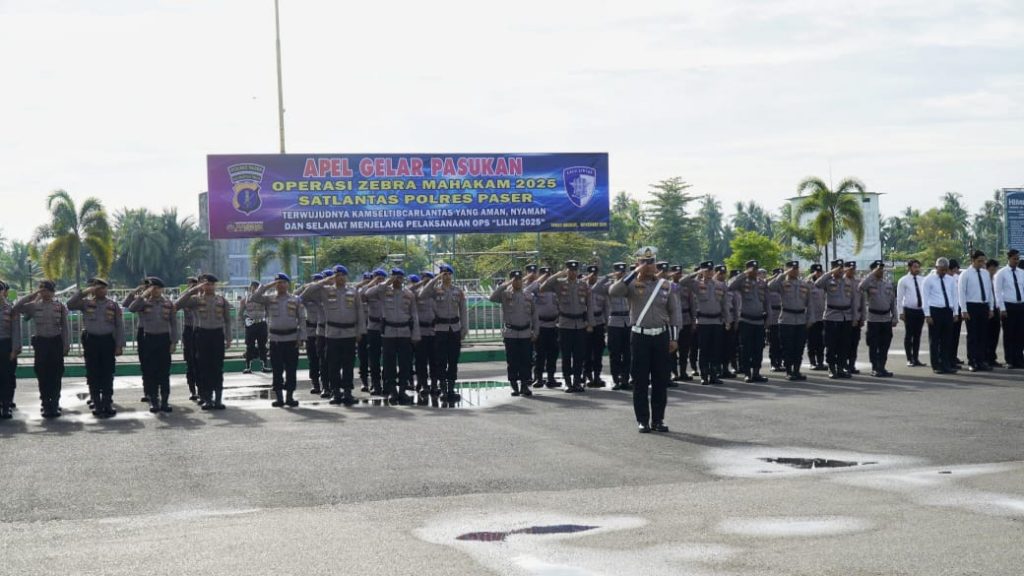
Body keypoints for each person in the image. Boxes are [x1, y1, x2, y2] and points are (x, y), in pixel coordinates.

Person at [609, 255, 680, 433]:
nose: (649, 266)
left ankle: (658, 419)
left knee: (660, 380)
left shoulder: (666, 285)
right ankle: (643, 420)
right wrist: (633, 273)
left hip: (661, 336)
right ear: (638, 265)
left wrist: (674, 337)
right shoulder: (631, 285)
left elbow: (674, 312)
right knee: (640, 381)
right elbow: (613, 291)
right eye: (645, 263)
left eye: (652, 262)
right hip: (640, 337)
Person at [303, 266, 364, 406]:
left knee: (348, 365)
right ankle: (336, 392)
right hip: (332, 334)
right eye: (337, 275)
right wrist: (324, 281)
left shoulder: (353, 292)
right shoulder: (325, 291)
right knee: (333, 365)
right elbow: (305, 294)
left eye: (343, 274)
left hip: (349, 333)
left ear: (346, 277)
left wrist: (360, 331)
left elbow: (359, 311)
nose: (340, 277)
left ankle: (347, 392)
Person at [67, 278, 124, 418]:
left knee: (107, 373)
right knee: (93, 373)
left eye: (103, 288)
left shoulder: (113, 305)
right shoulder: (86, 303)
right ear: (93, 289)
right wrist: (85, 292)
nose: (101, 291)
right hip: (91, 341)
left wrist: (119, 345)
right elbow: (70, 304)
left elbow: (119, 325)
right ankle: (97, 403)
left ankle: (107, 402)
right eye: (97, 288)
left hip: (107, 341)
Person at [13, 280, 70, 418]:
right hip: (41, 343)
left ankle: (55, 404)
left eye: (48, 291)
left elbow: (65, 327)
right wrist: (32, 295)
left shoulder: (60, 307)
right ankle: (45, 404)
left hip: (55, 342)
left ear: (53, 292)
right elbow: (16, 308)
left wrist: (66, 344)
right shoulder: (34, 306)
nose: (45, 293)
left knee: (56, 374)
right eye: (42, 291)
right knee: (42, 374)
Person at [175, 274, 233, 410]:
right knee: (204, 367)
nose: (209, 287)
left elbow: (228, 320)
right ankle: (207, 398)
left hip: (217, 335)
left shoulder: (222, 301)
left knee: (217, 368)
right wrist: (192, 290)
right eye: (206, 284)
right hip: (202, 335)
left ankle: (218, 399)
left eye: (212, 284)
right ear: (202, 285)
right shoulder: (196, 300)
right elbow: (177, 304)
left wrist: (229, 337)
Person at [364, 269, 421, 405]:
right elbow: (368, 293)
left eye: (400, 278)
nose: (398, 280)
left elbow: (414, 314)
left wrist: (416, 334)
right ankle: (392, 391)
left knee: (404, 363)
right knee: (389, 364)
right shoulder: (383, 291)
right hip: (388, 333)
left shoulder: (409, 294)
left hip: (404, 332)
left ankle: (402, 390)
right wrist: (386, 282)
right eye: (395, 278)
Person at [249, 273, 306, 408]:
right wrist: (267, 285)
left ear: (288, 284)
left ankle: (290, 397)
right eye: (278, 282)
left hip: (292, 339)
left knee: (291, 370)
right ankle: (279, 397)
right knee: (277, 370)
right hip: (275, 340)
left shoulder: (295, 300)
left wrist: (301, 337)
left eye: (283, 282)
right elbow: (254, 297)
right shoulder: (270, 299)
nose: (280, 285)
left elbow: (302, 319)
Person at [541, 260, 594, 393]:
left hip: (580, 325)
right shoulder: (559, 284)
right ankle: (568, 382)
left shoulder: (583, 285)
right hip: (565, 325)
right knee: (566, 356)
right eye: (570, 270)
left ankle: (577, 382)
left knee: (579, 356)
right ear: (566, 270)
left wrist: (590, 323)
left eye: (575, 270)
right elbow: (543, 287)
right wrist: (558, 274)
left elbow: (590, 305)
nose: (573, 272)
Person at [128, 277, 178, 413]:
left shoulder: (168, 303)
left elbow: (174, 324)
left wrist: (174, 342)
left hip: (164, 339)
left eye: (157, 288)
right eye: (152, 288)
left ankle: (165, 401)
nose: (154, 290)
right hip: (149, 339)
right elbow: (131, 308)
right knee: (151, 371)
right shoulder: (143, 302)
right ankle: (154, 401)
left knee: (164, 372)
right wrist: (142, 295)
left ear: (162, 289)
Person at [422, 264, 468, 399]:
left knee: (453, 360)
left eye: (448, 273)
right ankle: (442, 388)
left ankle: (451, 388)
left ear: (452, 275)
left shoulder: (458, 291)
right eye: (443, 273)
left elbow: (463, 311)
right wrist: (435, 279)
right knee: (440, 360)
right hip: (440, 329)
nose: (446, 276)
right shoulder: (435, 290)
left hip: (454, 329)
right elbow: (423, 293)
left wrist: (464, 328)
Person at [490, 270, 538, 396]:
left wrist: (536, 331)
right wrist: (507, 284)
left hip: (525, 333)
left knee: (526, 361)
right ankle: (514, 385)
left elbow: (534, 315)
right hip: (511, 333)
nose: (517, 282)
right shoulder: (505, 294)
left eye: (519, 279)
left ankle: (524, 385)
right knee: (513, 361)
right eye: (514, 279)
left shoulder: (529, 295)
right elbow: (492, 297)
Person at [689, 261, 731, 385]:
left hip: (717, 322)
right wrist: (696, 273)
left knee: (715, 349)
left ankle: (714, 375)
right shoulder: (697, 284)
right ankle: (704, 375)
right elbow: (683, 282)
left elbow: (724, 304)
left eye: (710, 270)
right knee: (704, 350)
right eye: (706, 270)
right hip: (703, 322)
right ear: (702, 271)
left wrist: (727, 320)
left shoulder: (720, 285)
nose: (709, 273)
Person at [768, 261, 811, 381]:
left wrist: (809, 319)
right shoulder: (782, 283)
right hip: (787, 319)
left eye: (796, 268)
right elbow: (770, 286)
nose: (795, 270)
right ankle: (788, 371)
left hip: (801, 319)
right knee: (788, 347)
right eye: (792, 268)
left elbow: (810, 303)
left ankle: (796, 370)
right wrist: (784, 273)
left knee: (799, 347)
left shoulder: (804, 284)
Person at [728, 260, 768, 383]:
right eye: (752, 269)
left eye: (756, 269)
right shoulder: (742, 282)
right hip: (746, 320)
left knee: (758, 348)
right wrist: (744, 274)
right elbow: (730, 286)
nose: (755, 272)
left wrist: (768, 319)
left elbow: (767, 301)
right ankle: (747, 373)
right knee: (746, 348)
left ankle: (756, 372)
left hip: (759, 320)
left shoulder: (762, 283)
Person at [815, 259, 855, 379]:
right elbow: (817, 284)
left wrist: (854, 317)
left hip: (846, 316)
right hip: (832, 317)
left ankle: (841, 367)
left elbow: (852, 300)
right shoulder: (828, 281)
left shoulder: (847, 281)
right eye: (838, 268)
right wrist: (830, 273)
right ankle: (831, 368)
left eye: (841, 268)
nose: (841, 270)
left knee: (844, 344)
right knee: (831, 345)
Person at [595, 263, 632, 390]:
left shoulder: (630, 285)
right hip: (614, 322)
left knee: (628, 353)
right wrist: (607, 276)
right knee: (615, 353)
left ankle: (626, 379)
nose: (620, 274)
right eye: (618, 271)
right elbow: (595, 288)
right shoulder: (608, 286)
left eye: (623, 271)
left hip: (628, 321)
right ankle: (616, 379)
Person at [859, 261, 897, 377]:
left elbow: (892, 302)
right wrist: (872, 274)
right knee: (874, 344)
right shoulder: (869, 283)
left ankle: (882, 366)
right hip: (873, 319)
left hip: (886, 319)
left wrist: (894, 316)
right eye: (878, 269)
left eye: (882, 269)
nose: (881, 271)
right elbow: (860, 287)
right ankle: (875, 367)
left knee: (885, 344)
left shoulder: (887, 284)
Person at [958, 250, 995, 372]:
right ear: (972, 261)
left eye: (983, 261)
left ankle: (981, 360)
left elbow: (989, 291)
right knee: (973, 336)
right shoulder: (966, 274)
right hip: (971, 306)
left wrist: (991, 308)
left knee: (983, 335)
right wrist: (963, 310)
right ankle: (972, 361)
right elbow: (961, 293)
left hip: (983, 306)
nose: (982, 263)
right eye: (979, 261)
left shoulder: (985, 273)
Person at [923, 258, 959, 374]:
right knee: (935, 340)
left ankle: (946, 364)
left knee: (947, 340)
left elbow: (954, 296)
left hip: (947, 311)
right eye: (941, 270)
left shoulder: (950, 280)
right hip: (935, 311)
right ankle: (936, 365)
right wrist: (927, 315)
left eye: (945, 270)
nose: (943, 272)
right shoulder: (928, 280)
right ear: (936, 267)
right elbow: (925, 298)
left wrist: (955, 312)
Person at [528, 267, 560, 388]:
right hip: (540, 326)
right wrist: (539, 280)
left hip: (553, 326)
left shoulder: (554, 289)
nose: (546, 277)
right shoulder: (535, 288)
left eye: (548, 275)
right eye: (543, 274)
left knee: (553, 354)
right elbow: (527, 290)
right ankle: (538, 378)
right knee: (540, 354)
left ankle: (551, 377)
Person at [122, 279, 151, 403]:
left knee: (156, 364)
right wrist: (135, 292)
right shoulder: (141, 300)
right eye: (146, 286)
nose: (149, 289)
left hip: (157, 333)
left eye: (150, 286)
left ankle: (157, 391)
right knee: (145, 363)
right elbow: (126, 305)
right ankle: (148, 391)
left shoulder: (161, 300)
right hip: (143, 331)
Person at [412, 272, 439, 403]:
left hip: (434, 331)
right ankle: (423, 384)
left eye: (430, 280)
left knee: (434, 360)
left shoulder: (437, 294)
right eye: (425, 280)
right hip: (421, 331)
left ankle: (434, 384)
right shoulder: (416, 293)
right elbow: (408, 290)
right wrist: (421, 284)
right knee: (421, 361)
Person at [296, 273, 324, 395]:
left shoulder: (327, 296)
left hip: (324, 332)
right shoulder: (307, 298)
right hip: (311, 332)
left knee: (325, 359)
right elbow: (294, 296)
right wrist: (305, 287)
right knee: (313, 359)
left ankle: (326, 384)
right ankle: (315, 383)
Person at [995, 249, 1024, 368]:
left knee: (1020, 334)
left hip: (1021, 305)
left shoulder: (1021, 272)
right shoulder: (1001, 273)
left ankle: (1019, 359)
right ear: (1009, 258)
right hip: (1008, 306)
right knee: (1009, 334)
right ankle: (1010, 360)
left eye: (1018, 259)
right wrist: (1002, 308)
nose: (1016, 261)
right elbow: (997, 291)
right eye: (1014, 259)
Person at [360, 268, 388, 395]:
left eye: (381, 278)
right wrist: (371, 283)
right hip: (373, 327)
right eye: (377, 278)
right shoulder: (369, 291)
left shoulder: (389, 290)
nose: (379, 281)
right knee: (374, 358)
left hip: (387, 328)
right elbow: (361, 295)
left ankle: (387, 383)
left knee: (388, 357)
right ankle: (375, 384)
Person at [896, 259, 927, 367]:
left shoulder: (922, 280)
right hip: (909, 310)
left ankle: (916, 358)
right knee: (909, 335)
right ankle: (909, 358)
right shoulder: (903, 280)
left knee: (918, 335)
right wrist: (900, 312)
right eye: (914, 267)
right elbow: (899, 298)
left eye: (918, 267)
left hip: (920, 311)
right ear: (909, 268)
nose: (917, 269)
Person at [0, 280, 22, 419]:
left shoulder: (11, 309)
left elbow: (16, 331)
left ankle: (7, 406)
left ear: (3, 292)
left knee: (7, 376)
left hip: (6, 346)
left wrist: (15, 349)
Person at [584, 265, 608, 387]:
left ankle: (597, 375)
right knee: (586, 351)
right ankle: (587, 375)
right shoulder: (582, 286)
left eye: (595, 275)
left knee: (598, 351)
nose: (593, 277)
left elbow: (606, 306)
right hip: (586, 323)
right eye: (591, 274)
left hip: (599, 322)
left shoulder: (602, 289)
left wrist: (606, 323)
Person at [669, 265, 694, 383]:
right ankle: (674, 373)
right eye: (676, 273)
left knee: (685, 349)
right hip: (673, 321)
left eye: (680, 273)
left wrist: (694, 320)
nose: (678, 275)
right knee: (673, 349)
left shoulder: (686, 288)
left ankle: (683, 372)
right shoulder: (668, 286)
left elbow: (692, 304)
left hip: (686, 319)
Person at [239, 281, 269, 374]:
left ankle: (264, 366)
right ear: (250, 288)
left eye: (257, 287)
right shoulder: (245, 300)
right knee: (249, 346)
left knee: (262, 346)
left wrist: (264, 318)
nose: (255, 289)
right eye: (253, 287)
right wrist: (245, 321)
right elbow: (240, 313)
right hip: (250, 324)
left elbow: (268, 311)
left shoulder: (264, 299)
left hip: (261, 324)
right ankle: (248, 367)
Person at [181, 277, 201, 401]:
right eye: (190, 285)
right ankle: (192, 390)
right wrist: (189, 290)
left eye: (195, 285)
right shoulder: (186, 298)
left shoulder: (200, 299)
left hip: (199, 330)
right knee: (190, 362)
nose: (193, 287)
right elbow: (179, 302)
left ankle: (202, 389)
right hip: (189, 331)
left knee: (200, 362)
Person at [806, 264, 827, 370]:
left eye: (820, 272)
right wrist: (810, 276)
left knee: (821, 342)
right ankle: (812, 362)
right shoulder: (808, 284)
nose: (819, 274)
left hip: (821, 317)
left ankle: (820, 362)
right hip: (811, 318)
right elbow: (803, 283)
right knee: (812, 341)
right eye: (816, 272)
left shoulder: (823, 285)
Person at [845, 262, 864, 375]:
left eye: (854, 269)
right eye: (850, 269)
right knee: (844, 343)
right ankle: (843, 364)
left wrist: (862, 318)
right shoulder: (841, 282)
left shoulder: (858, 283)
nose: (852, 271)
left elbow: (862, 301)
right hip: (845, 318)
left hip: (856, 317)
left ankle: (851, 364)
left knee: (854, 343)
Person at [766, 268, 784, 372]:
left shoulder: (784, 287)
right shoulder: (769, 287)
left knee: (782, 342)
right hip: (773, 318)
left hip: (783, 318)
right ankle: (774, 363)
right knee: (774, 343)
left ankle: (780, 362)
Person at [986, 258, 1002, 367]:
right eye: (991, 270)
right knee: (987, 335)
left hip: (996, 309)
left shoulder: (996, 280)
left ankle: (992, 357)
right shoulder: (983, 280)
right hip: (986, 310)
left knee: (995, 334)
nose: (993, 272)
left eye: (995, 270)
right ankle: (985, 357)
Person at [948, 259, 964, 366]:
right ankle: (948, 357)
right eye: (955, 269)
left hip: (958, 308)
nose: (956, 271)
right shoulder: (946, 279)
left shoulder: (958, 278)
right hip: (948, 309)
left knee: (955, 336)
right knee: (948, 336)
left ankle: (953, 356)